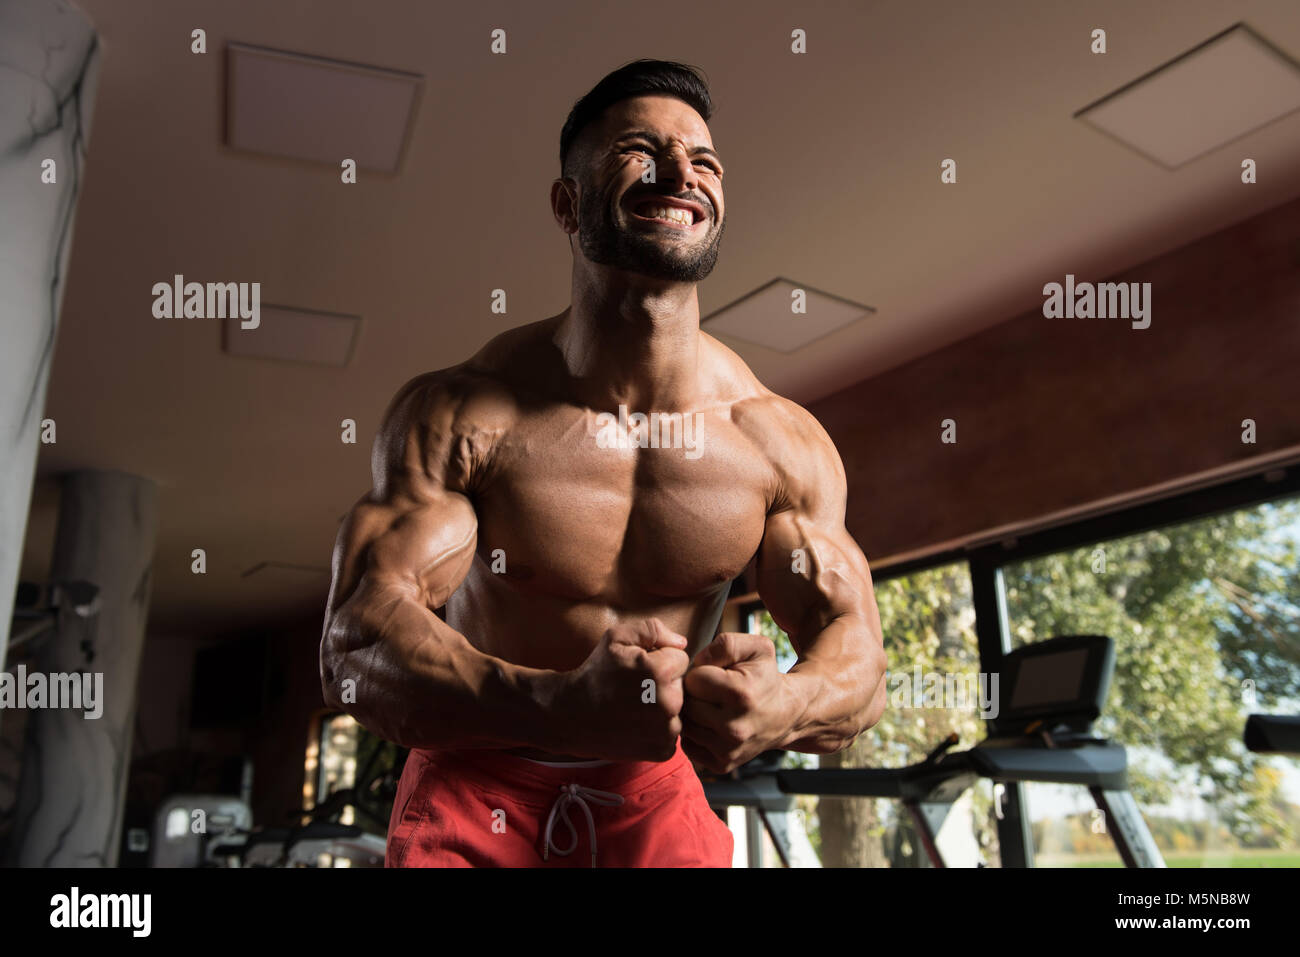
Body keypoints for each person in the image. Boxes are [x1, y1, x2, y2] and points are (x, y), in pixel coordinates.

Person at [320, 59, 887, 867]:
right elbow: (354, 649)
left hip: (652, 794)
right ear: (568, 203)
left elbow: (858, 655)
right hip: (477, 782)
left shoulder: (776, 441)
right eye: (638, 149)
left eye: (705, 160)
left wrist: (782, 705)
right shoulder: (462, 413)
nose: (681, 171)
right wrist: (553, 706)